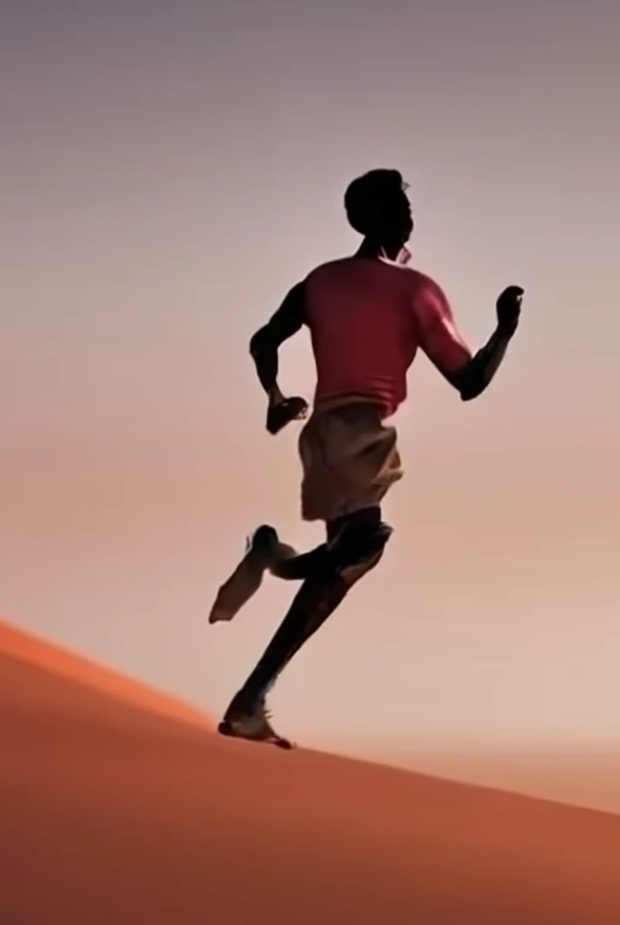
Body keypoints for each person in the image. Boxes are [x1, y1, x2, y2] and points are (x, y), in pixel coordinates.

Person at [208, 168, 524, 747]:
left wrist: (276, 399)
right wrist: (505, 330)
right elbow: (470, 380)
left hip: (323, 432)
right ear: (381, 220)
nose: (408, 217)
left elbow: (263, 340)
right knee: (360, 549)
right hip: (360, 429)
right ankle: (250, 699)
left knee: (342, 554)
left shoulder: (319, 282)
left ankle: (271, 556)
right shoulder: (417, 292)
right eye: (401, 208)